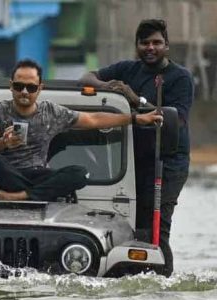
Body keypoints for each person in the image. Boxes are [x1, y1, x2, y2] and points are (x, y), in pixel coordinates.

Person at [79, 19, 194, 276]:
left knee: (157, 226)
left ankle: (163, 280)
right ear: (137, 46)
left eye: (156, 42)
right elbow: (86, 77)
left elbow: (176, 119)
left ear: (167, 46)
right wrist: (105, 86)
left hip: (168, 162)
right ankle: (134, 276)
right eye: (144, 43)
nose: (150, 48)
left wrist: (136, 99)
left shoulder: (180, 78)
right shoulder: (127, 69)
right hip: (132, 162)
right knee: (133, 225)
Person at [0, 58, 163, 202]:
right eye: (19, 86)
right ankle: (33, 194)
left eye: (31, 87)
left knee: (79, 174)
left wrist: (134, 118)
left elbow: (92, 119)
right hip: (6, 173)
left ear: (40, 88)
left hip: (37, 174)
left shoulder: (51, 111)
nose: (25, 92)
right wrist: (4, 142)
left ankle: (18, 197)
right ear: (11, 86)